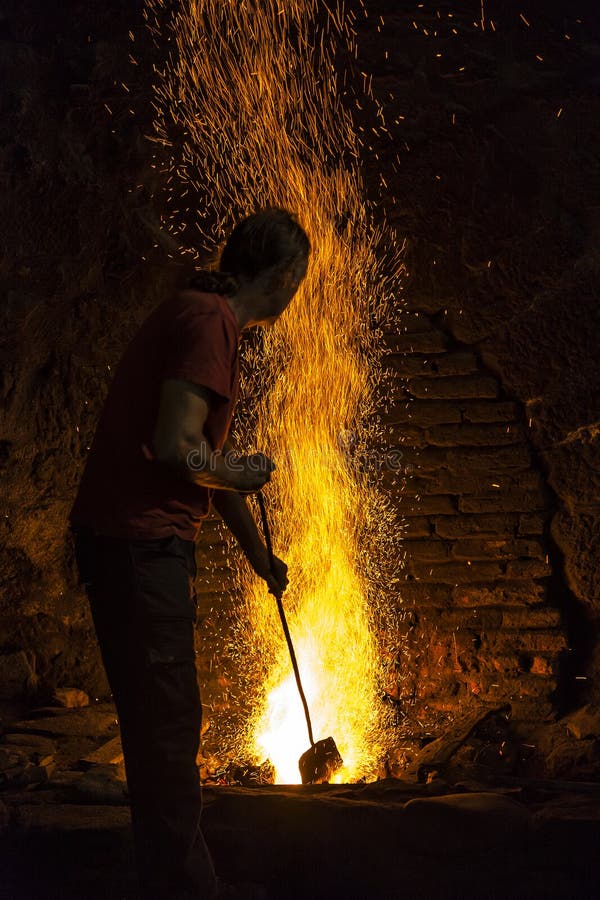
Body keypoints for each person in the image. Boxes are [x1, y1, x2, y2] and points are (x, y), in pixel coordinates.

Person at [69, 208, 310, 900]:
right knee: (168, 734)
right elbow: (180, 449)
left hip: (137, 545)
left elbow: (202, 456)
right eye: (301, 280)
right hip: (141, 547)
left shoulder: (200, 314)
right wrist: (239, 473)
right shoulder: (209, 323)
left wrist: (259, 555)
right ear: (286, 275)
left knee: (160, 727)